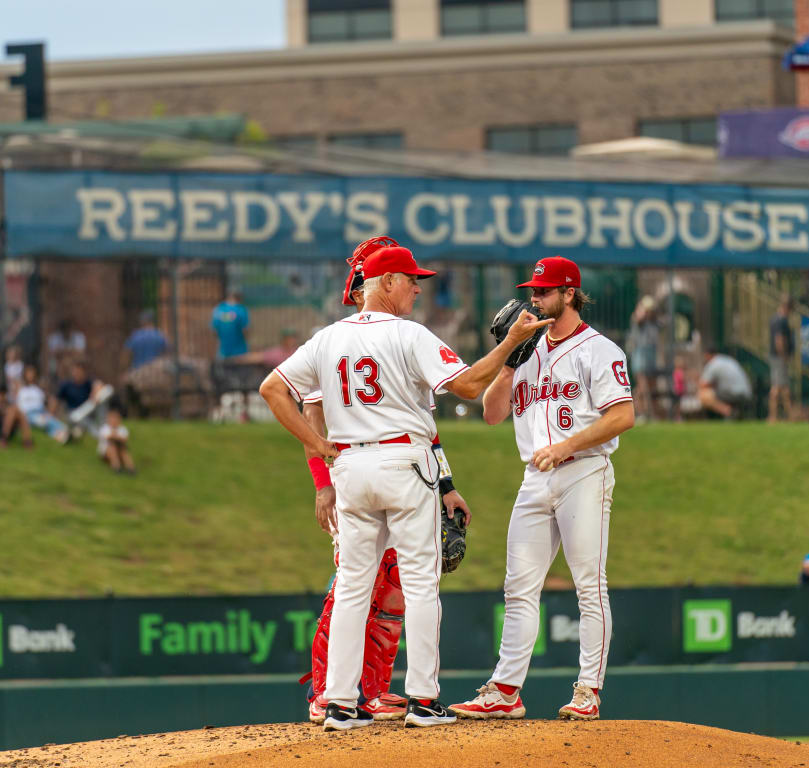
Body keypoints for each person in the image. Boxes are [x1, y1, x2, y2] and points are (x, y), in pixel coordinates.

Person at [260, 241, 550, 731]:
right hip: (402, 464)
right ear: (386, 283)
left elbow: (273, 388)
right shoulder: (409, 334)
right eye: (411, 279)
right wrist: (508, 344)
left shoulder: (328, 338)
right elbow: (466, 386)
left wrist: (320, 445)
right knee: (419, 585)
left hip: (350, 466)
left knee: (353, 586)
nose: (417, 287)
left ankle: (339, 704)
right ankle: (422, 700)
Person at [454, 255, 635, 723]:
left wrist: (567, 446)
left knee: (589, 585)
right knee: (518, 587)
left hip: (583, 470)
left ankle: (588, 690)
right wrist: (510, 362)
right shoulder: (528, 351)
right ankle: (506, 690)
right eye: (533, 291)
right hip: (535, 476)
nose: (534, 298)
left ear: (570, 293)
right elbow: (492, 414)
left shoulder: (600, 350)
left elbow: (622, 416)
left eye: (544, 291)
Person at [300, 238, 472, 725]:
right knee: (356, 586)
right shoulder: (346, 337)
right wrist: (322, 482)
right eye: (408, 277)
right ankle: (328, 692)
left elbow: (421, 422)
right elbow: (311, 413)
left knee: (386, 586)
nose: (416, 287)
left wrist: (446, 483)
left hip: (383, 466)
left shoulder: (368, 337)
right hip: (358, 468)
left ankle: (365, 692)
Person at [55, 361, 113, 439]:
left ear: (84, 373)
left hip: (87, 411)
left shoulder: (88, 383)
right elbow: (56, 400)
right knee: (81, 420)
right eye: (75, 371)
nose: (77, 374)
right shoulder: (66, 385)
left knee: (103, 399)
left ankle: (104, 427)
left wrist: (95, 392)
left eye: (79, 372)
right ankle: (100, 435)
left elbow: (100, 384)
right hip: (72, 414)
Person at [627, 296, 662, 421]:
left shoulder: (654, 322)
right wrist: (642, 309)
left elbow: (660, 323)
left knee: (649, 387)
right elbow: (639, 318)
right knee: (642, 386)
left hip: (651, 355)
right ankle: (644, 414)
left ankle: (642, 412)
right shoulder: (638, 318)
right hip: (640, 353)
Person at [16, 364, 69, 444]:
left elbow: (44, 402)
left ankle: (61, 435)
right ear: (25, 375)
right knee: (46, 421)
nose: (31, 375)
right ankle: (65, 430)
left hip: (41, 412)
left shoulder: (38, 390)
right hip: (28, 415)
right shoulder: (22, 390)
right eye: (29, 373)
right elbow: (19, 405)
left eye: (32, 373)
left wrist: (47, 412)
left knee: (48, 420)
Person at [696, 346, 752, 419]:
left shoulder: (713, 363)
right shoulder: (728, 360)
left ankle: (728, 411)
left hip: (732, 393)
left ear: (708, 355)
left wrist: (695, 379)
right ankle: (732, 412)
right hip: (746, 392)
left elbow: (703, 384)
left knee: (703, 395)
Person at [768, 297, 796, 423]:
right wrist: (784, 355)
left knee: (783, 386)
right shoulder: (781, 321)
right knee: (777, 387)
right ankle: (773, 417)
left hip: (776, 356)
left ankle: (790, 415)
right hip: (779, 357)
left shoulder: (774, 319)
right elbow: (779, 340)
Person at [0, 383, 30, 448]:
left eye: (3, 394)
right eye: (0, 393)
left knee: (17, 411)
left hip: (11, 428)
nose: (2, 396)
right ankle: (3, 439)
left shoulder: (10, 403)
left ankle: (27, 440)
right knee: (12, 410)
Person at [211, 291, 250, 360]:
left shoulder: (218, 309)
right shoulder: (241, 310)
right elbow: (245, 330)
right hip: (239, 352)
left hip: (223, 352)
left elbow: (214, 330)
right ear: (239, 298)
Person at [98, 407, 135, 474]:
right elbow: (108, 437)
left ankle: (130, 468)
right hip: (106, 452)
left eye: (116, 419)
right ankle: (116, 467)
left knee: (124, 450)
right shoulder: (105, 428)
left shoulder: (122, 428)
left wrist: (115, 436)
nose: (114, 421)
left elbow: (124, 440)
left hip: (120, 450)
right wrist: (117, 436)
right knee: (112, 447)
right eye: (112, 419)